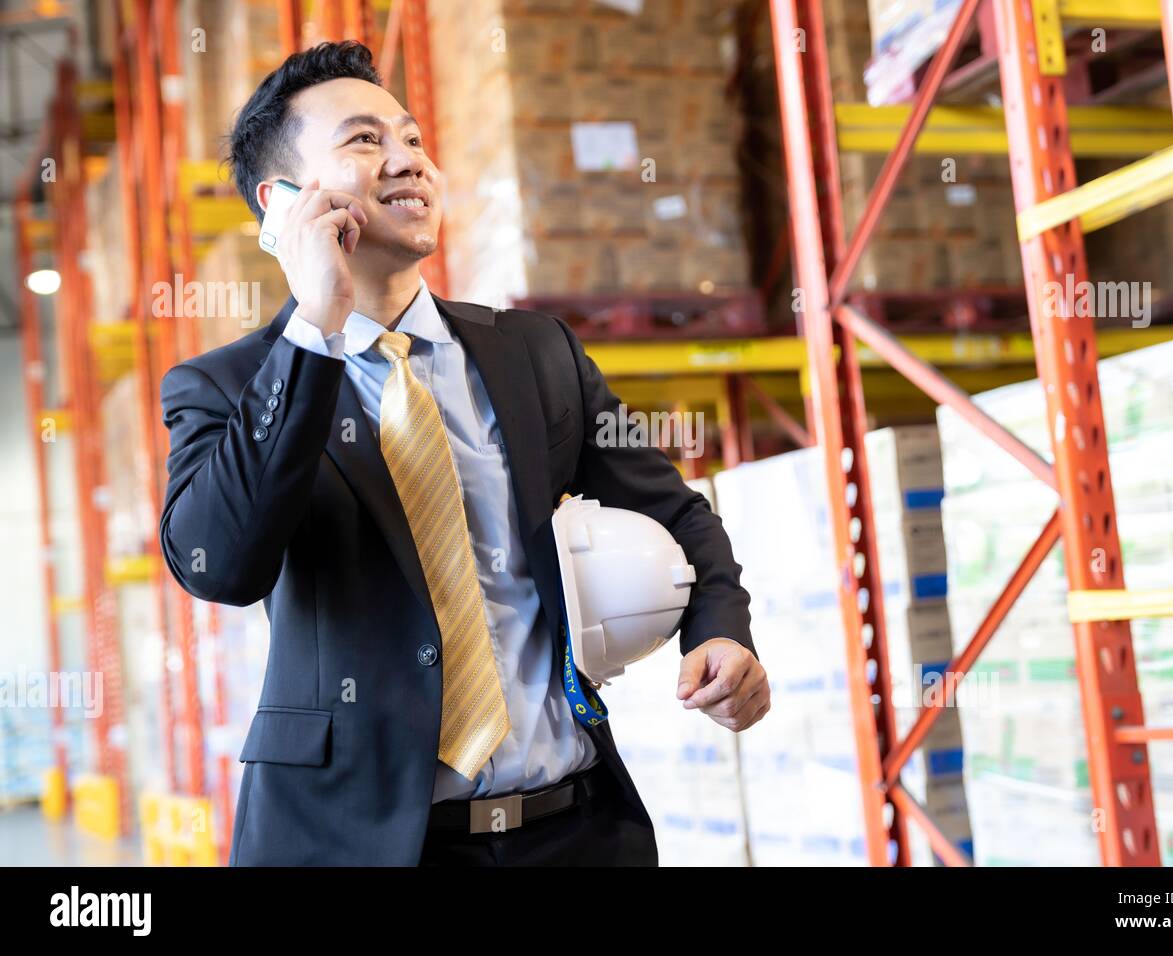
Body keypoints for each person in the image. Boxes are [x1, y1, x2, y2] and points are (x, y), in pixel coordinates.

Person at [158, 41, 768, 866]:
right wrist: (313, 329)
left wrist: (722, 631)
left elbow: (671, 507)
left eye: (411, 139)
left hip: (574, 831)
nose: (407, 160)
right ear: (283, 202)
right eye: (365, 142)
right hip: (361, 844)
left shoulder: (535, 352)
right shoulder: (226, 385)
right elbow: (218, 564)